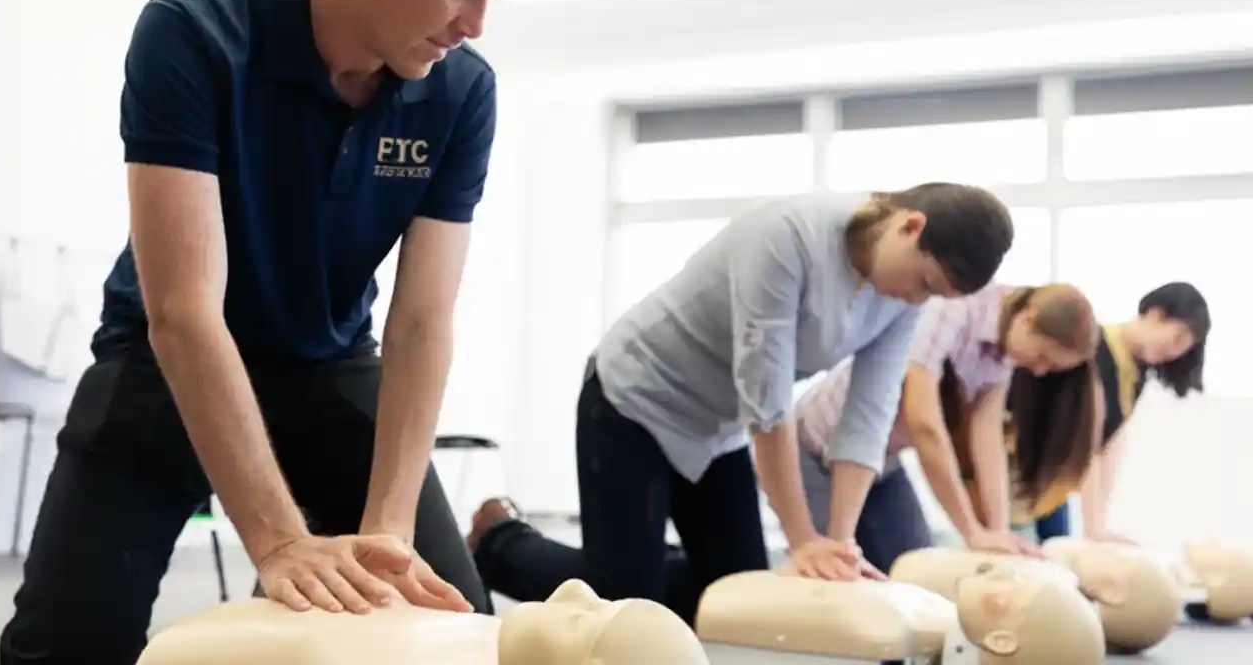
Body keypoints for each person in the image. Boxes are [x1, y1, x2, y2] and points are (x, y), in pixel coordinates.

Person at [0, 0, 520, 663]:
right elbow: (184, 313)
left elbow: (422, 324)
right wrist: (278, 542)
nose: (477, 25)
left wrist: (389, 530)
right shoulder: (197, 28)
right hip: (163, 361)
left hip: (329, 361)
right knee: (66, 646)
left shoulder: (461, 89)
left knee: (448, 627)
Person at [468, 182, 1015, 626]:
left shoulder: (904, 300)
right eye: (924, 282)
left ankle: (641, 562)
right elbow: (769, 402)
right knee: (625, 604)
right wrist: (802, 541)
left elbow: (867, 415)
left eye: (934, 295)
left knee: (734, 593)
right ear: (910, 226)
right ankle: (499, 542)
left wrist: (839, 541)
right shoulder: (787, 234)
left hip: (718, 426)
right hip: (636, 399)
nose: (918, 299)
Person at [793, 281, 1100, 574]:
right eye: (1043, 357)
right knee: (837, 570)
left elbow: (987, 435)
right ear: (1028, 319)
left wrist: (998, 531)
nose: (1040, 370)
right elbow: (925, 425)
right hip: (820, 447)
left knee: (913, 570)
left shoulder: (1005, 346)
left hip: (881, 463)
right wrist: (971, 532)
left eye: (1051, 368)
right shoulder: (953, 309)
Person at [1024, 282, 1210, 544]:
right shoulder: (1095, 347)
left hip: (1052, 489)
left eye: (1184, 349)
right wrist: (1095, 530)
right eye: (1177, 338)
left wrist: (1098, 527)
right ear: (1155, 313)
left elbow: (1110, 445)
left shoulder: (1138, 372)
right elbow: (1086, 442)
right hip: (1028, 473)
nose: (1174, 352)